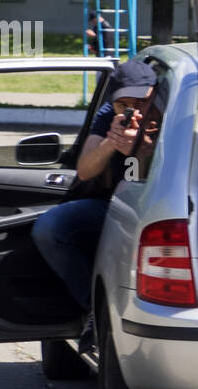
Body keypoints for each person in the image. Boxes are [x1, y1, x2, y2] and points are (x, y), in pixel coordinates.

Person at [32, 60, 158, 355]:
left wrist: (143, 153)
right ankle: (95, 310)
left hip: (161, 210)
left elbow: (155, 187)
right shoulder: (111, 116)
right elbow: (85, 171)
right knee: (51, 228)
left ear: (155, 94)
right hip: (113, 207)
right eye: (124, 104)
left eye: (141, 101)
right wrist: (113, 144)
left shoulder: (175, 111)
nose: (133, 111)